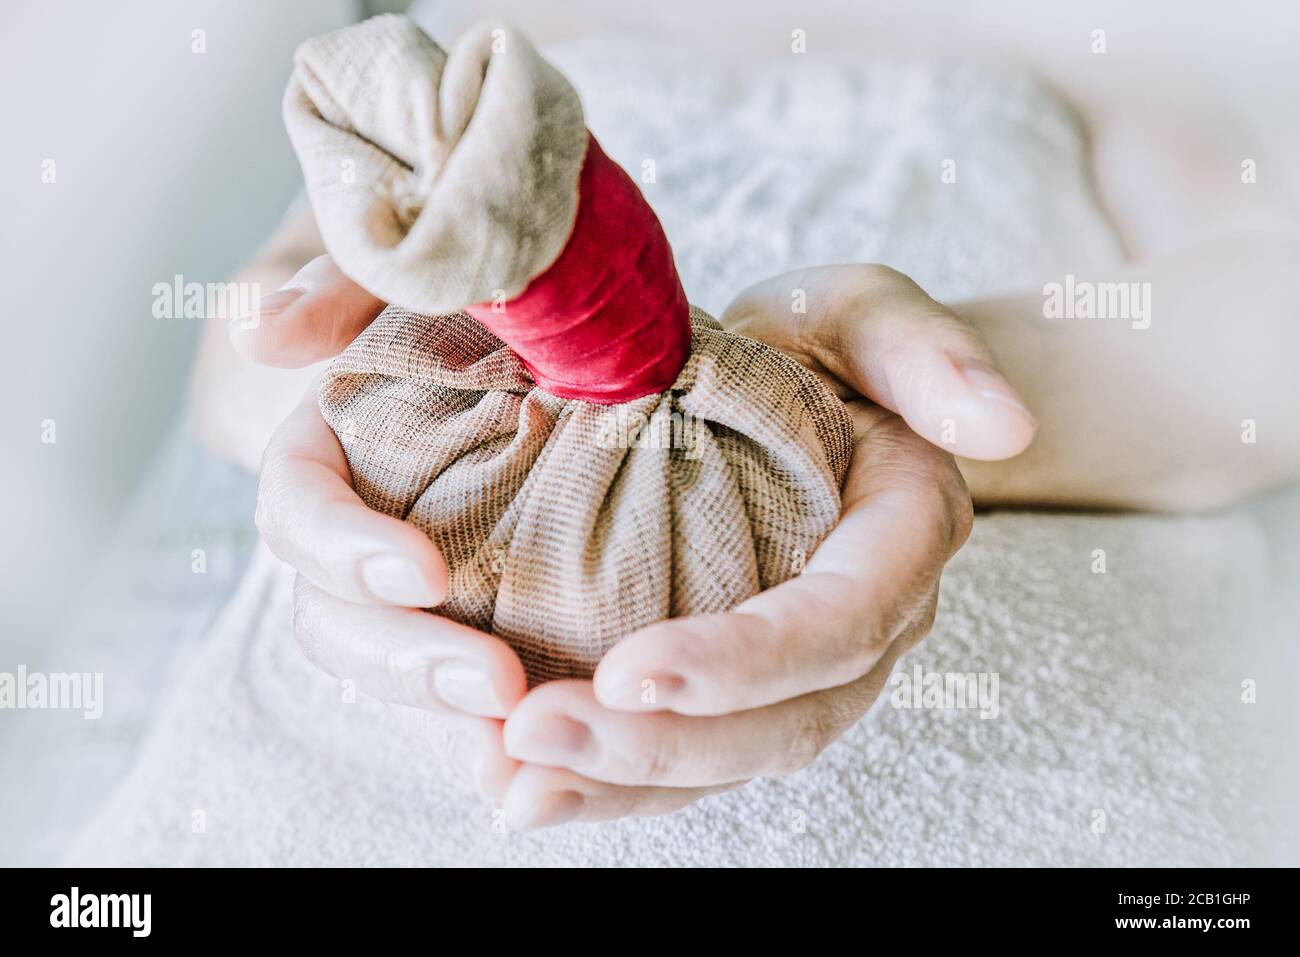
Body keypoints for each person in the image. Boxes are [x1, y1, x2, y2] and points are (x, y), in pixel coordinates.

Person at [191, 0, 1300, 828]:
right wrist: (383, 424)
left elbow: (1270, 327)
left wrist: (884, 403)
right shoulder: (503, 24)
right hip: (385, 707)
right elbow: (253, 333)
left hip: (1005, 660)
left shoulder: (1105, 32)